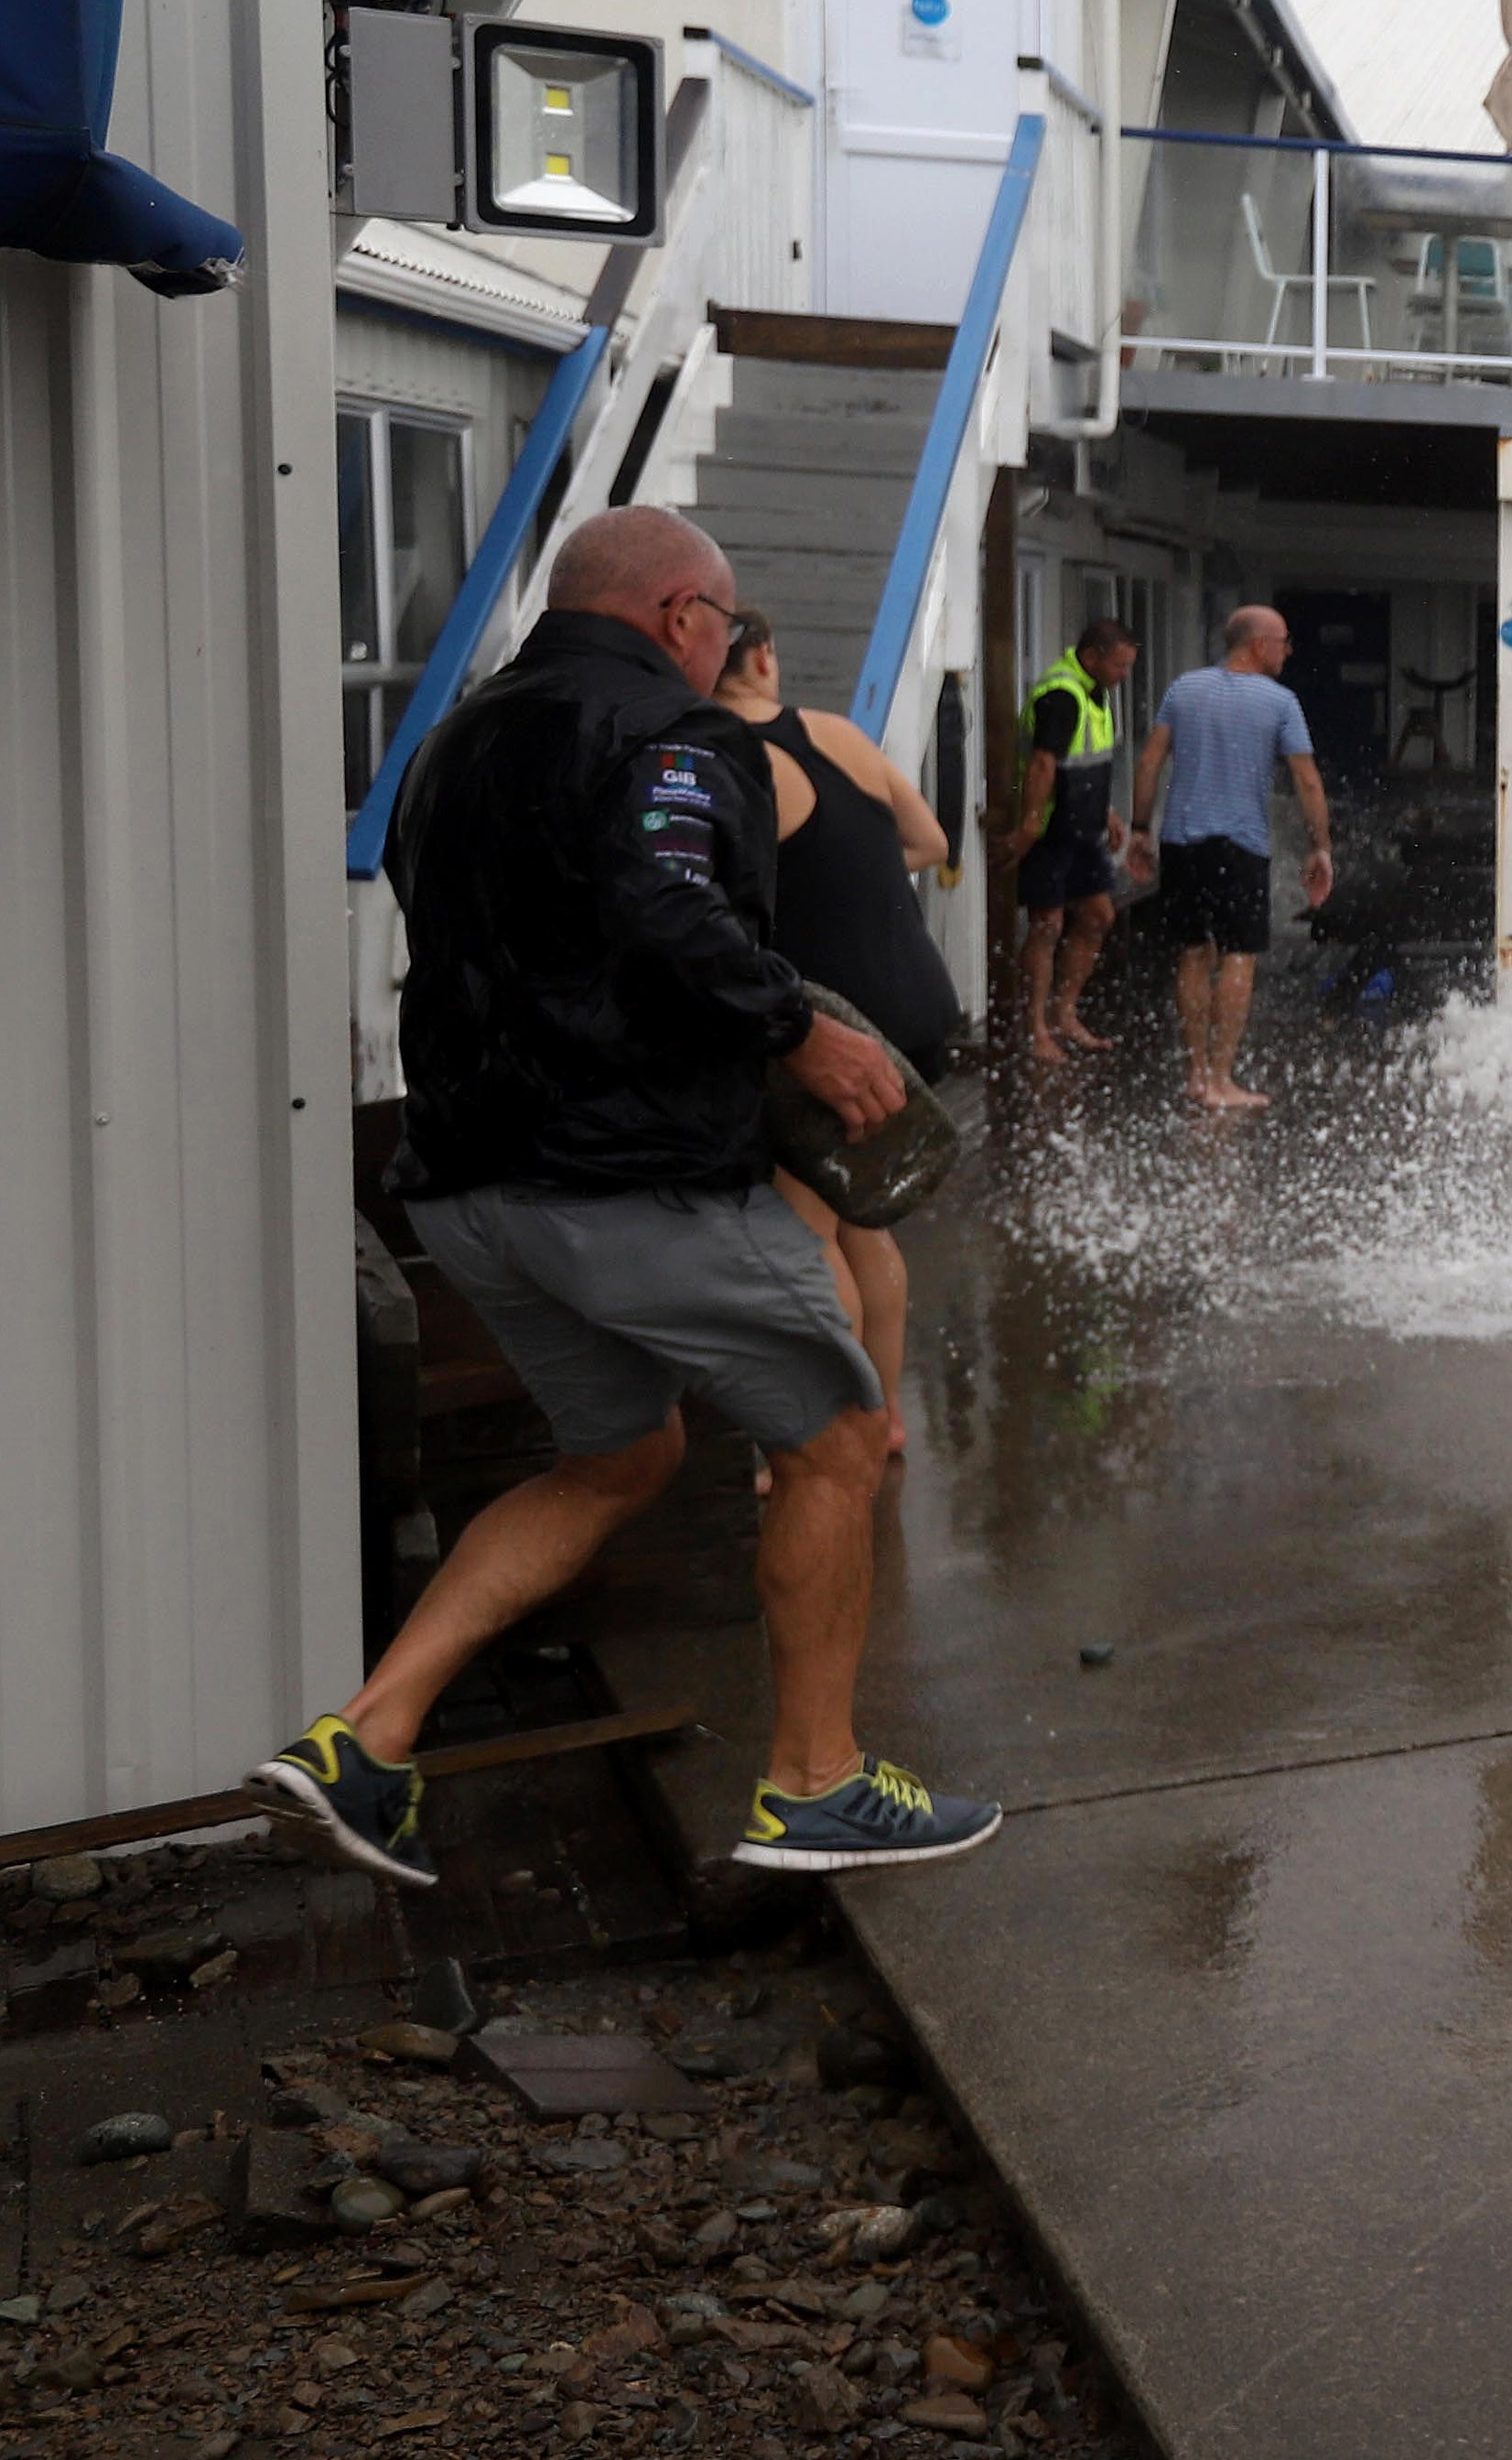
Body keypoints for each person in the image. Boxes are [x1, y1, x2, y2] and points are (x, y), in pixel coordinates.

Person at [246, 506, 1001, 1886]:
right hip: (630, 1182)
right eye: (718, 624)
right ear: (677, 616)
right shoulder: (678, 735)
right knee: (838, 1436)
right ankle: (819, 1780)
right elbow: (667, 908)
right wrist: (801, 1030)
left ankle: (366, 1737)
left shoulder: (450, 744)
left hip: (474, 1192)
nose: (720, 652)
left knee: (622, 1457)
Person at [715, 607, 956, 1450]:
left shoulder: (725, 761)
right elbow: (926, 840)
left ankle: (829, 1440)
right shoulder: (835, 734)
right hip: (918, 1004)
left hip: (840, 1029)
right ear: (767, 660)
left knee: (805, 1230)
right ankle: (885, 1416)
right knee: (864, 1221)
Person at [1126, 603, 1336, 1111]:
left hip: (1182, 842)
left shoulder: (1184, 689)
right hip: (1240, 847)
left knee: (1193, 953)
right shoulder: (1280, 702)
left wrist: (1139, 829)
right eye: (1283, 641)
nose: (1287, 651)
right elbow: (1306, 779)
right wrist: (1322, 846)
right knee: (1239, 956)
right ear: (1258, 644)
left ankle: (1196, 1073)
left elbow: (1151, 761)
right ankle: (1222, 1079)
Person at [1012, 618, 1136, 1060]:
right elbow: (1043, 765)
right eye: (1120, 666)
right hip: (1050, 833)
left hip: (1084, 830)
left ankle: (1065, 1013)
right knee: (1047, 925)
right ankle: (1035, 1028)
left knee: (1099, 916)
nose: (1124, 676)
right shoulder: (1062, 694)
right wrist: (1028, 826)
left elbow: (1082, 761)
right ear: (1092, 657)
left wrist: (1106, 810)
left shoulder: (1095, 692)